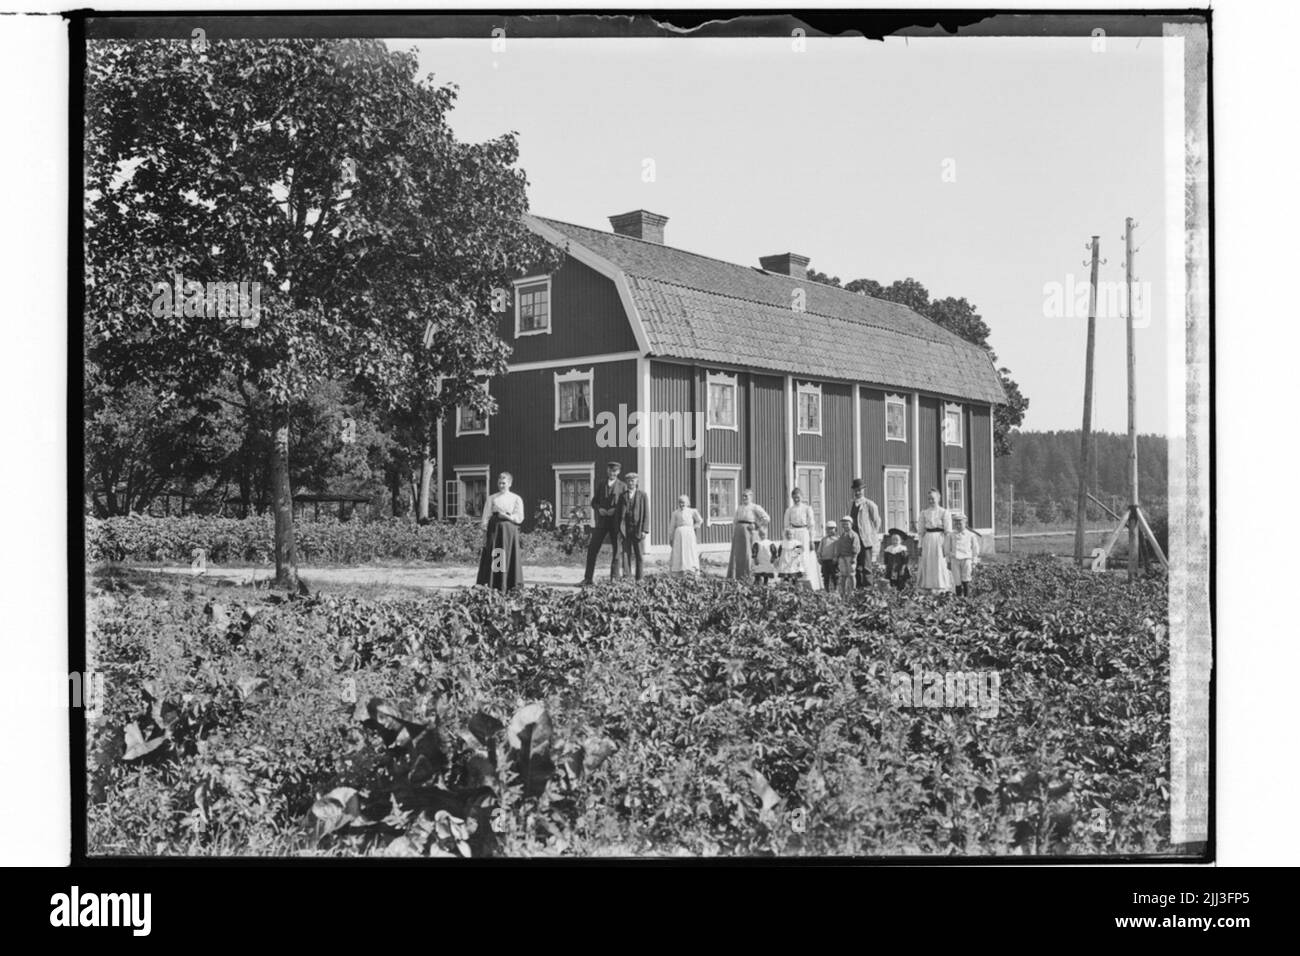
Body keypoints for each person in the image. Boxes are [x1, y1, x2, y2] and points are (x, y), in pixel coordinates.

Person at [475, 471, 525, 592]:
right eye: (499, 483)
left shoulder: (516, 498)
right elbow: (486, 516)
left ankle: (508, 583)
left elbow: (519, 517)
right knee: (496, 553)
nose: (501, 485)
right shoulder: (492, 498)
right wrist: (484, 532)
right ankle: (495, 582)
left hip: (509, 531)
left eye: (504, 483)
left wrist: (507, 517)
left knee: (507, 554)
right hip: (495, 530)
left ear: (510, 483)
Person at [582, 461, 626, 585]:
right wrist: (598, 509)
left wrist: (615, 510)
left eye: (614, 471)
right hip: (602, 522)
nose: (612, 473)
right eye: (610, 470)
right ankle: (588, 578)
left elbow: (625, 505)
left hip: (615, 523)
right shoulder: (601, 484)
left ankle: (614, 578)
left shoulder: (622, 486)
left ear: (618, 472)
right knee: (592, 548)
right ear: (607, 471)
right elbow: (594, 502)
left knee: (617, 550)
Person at [782, 487, 822, 591]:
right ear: (792, 498)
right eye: (794, 497)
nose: (796, 499)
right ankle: (794, 581)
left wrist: (812, 540)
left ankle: (805, 581)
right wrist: (787, 540)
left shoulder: (807, 508)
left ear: (802, 497)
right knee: (794, 556)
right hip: (793, 534)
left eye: (798, 497)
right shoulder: (789, 510)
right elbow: (786, 526)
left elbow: (811, 525)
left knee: (803, 556)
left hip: (804, 534)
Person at [727, 488, 771, 580]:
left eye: (746, 496)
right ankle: (737, 576)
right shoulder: (739, 507)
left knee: (748, 553)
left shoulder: (755, 507)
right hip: (739, 532)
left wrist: (756, 525)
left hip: (749, 532)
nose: (744, 498)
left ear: (751, 497)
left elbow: (766, 518)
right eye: (743, 496)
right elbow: (735, 520)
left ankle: (749, 576)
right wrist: (734, 532)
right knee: (737, 554)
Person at [916, 488, 953, 593]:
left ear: (938, 498)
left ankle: (940, 586)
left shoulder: (944, 512)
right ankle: (927, 585)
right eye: (929, 499)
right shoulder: (924, 513)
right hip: (927, 539)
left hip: (939, 539)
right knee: (927, 561)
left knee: (939, 561)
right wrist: (920, 545)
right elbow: (921, 531)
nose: (931, 501)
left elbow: (948, 531)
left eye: (933, 498)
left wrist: (946, 546)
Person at [850, 478, 883, 588]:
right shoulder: (852, 504)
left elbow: (877, 521)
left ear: (863, 490)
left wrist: (871, 534)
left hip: (865, 540)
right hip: (855, 540)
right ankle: (859, 590)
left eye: (860, 490)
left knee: (866, 567)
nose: (858, 492)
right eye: (856, 490)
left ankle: (869, 590)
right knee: (857, 567)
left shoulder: (869, 504)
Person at [620, 472, 650, 581]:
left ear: (636, 482)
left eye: (632, 481)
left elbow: (646, 513)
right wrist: (620, 529)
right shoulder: (623, 496)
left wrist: (645, 530)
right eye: (628, 481)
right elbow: (619, 514)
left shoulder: (642, 495)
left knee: (639, 555)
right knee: (625, 554)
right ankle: (627, 576)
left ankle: (639, 578)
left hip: (638, 529)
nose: (630, 483)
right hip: (626, 529)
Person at [946, 513, 980, 597]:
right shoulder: (951, 535)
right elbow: (947, 548)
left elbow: (975, 549)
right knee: (957, 581)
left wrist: (974, 561)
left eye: (960, 523)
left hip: (966, 559)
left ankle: (966, 598)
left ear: (965, 523)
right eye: (956, 524)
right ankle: (958, 599)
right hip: (955, 559)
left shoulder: (971, 535)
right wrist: (948, 561)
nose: (958, 526)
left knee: (966, 579)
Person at [668, 494, 704, 574]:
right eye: (680, 502)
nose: (682, 504)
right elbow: (672, 526)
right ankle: (679, 570)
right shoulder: (675, 513)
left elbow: (700, 520)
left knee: (690, 551)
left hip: (689, 534)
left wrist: (693, 527)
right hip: (679, 535)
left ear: (687, 503)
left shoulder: (692, 511)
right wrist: (671, 537)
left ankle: (690, 569)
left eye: (683, 502)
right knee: (679, 551)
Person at [833, 516, 862, 597]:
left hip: (850, 557)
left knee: (851, 575)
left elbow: (856, 547)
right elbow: (839, 546)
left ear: (851, 524)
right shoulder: (842, 535)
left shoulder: (854, 535)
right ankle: (842, 592)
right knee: (843, 575)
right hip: (842, 557)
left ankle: (852, 592)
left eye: (847, 524)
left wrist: (854, 557)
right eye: (843, 524)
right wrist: (837, 556)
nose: (845, 526)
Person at [816, 521, 840, 590]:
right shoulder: (824, 539)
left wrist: (836, 557)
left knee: (835, 576)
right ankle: (826, 589)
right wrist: (819, 557)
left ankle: (836, 589)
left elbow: (837, 550)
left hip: (833, 561)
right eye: (828, 529)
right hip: (824, 560)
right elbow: (819, 549)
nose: (830, 530)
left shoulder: (837, 539)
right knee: (825, 576)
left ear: (835, 529)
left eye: (832, 528)